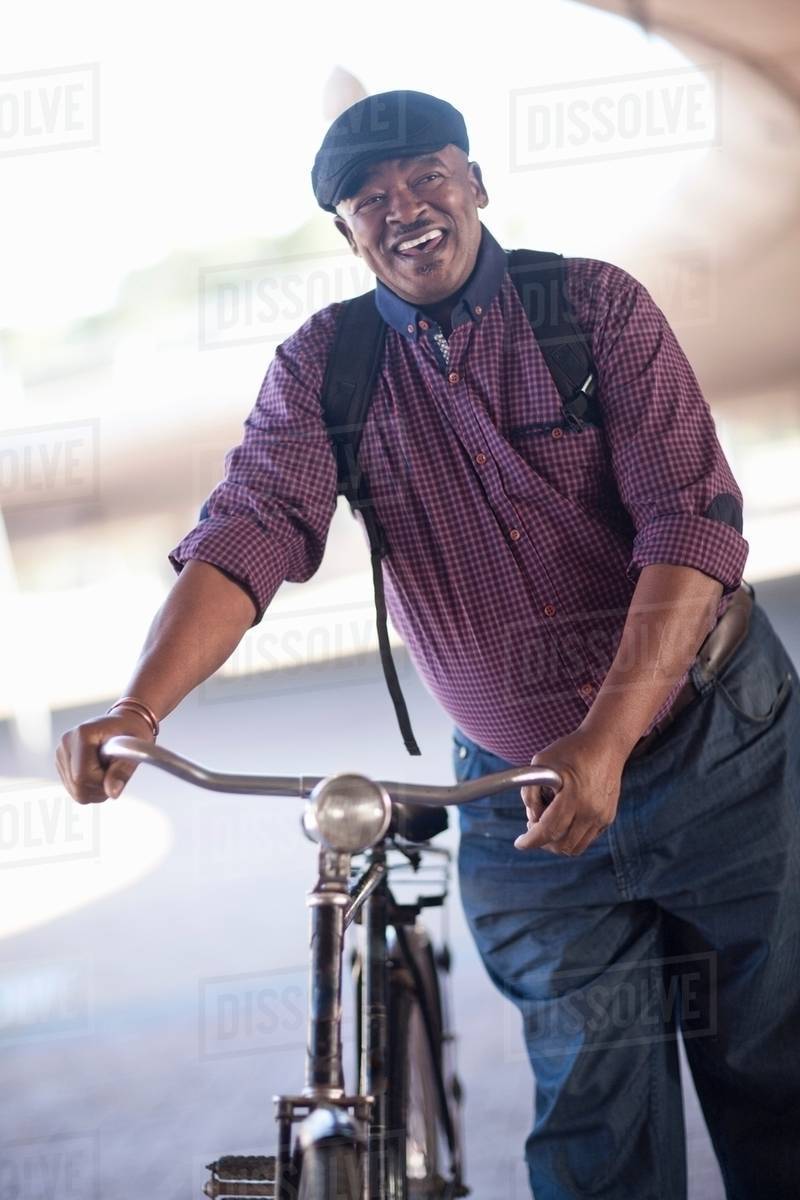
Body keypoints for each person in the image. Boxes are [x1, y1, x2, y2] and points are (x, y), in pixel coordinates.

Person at [56, 91, 800, 1197]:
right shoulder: (325, 368)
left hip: (712, 750)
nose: (404, 209)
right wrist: (140, 708)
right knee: (590, 1110)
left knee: (772, 1070)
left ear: (475, 183)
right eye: (370, 200)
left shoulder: (591, 306)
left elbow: (688, 527)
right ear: (347, 234)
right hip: (517, 796)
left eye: (426, 178)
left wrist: (600, 738)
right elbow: (252, 526)